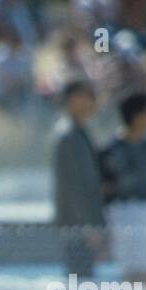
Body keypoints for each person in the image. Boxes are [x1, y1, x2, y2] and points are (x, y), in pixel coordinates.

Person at [99, 91, 146, 282]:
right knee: (130, 264)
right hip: (122, 210)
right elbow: (102, 183)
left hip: (145, 208)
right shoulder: (113, 148)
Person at [51, 77, 107, 277]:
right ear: (73, 99)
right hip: (77, 228)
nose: (93, 101)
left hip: (82, 226)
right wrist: (88, 227)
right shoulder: (68, 135)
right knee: (80, 287)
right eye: (87, 95)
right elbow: (75, 186)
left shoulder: (79, 132)